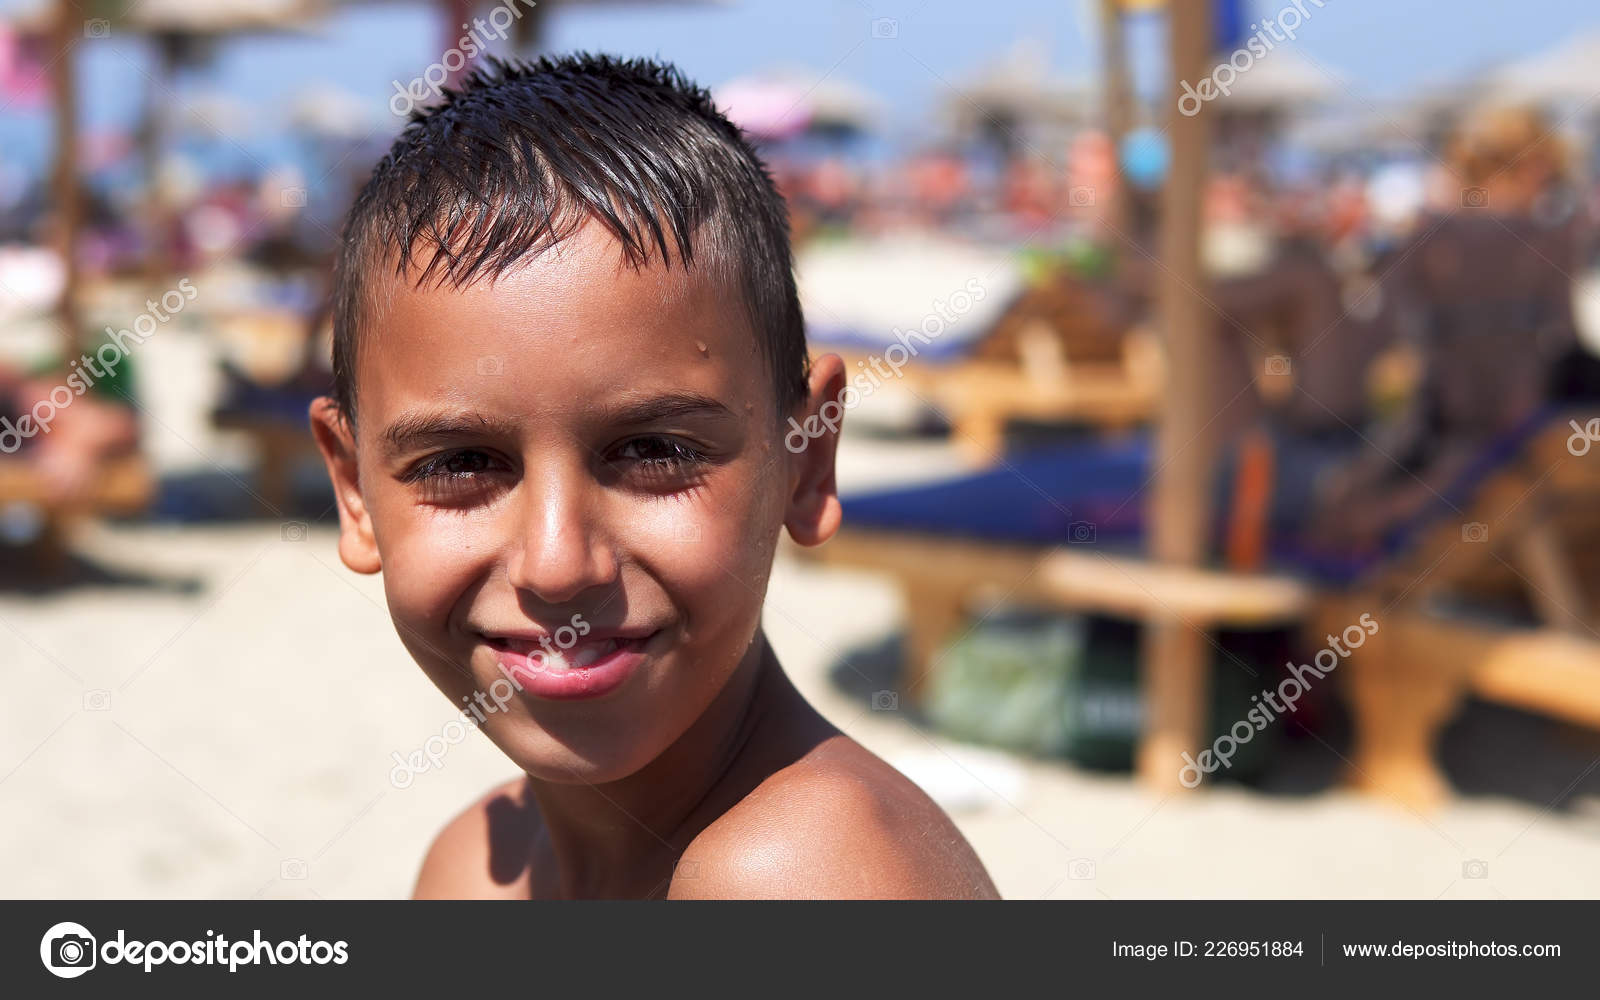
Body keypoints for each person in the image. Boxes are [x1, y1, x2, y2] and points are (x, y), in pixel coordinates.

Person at [309, 54, 997, 900]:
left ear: (807, 455)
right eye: (460, 463)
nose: (558, 563)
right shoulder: (470, 875)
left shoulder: (805, 881)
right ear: (354, 491)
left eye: (653, 451)